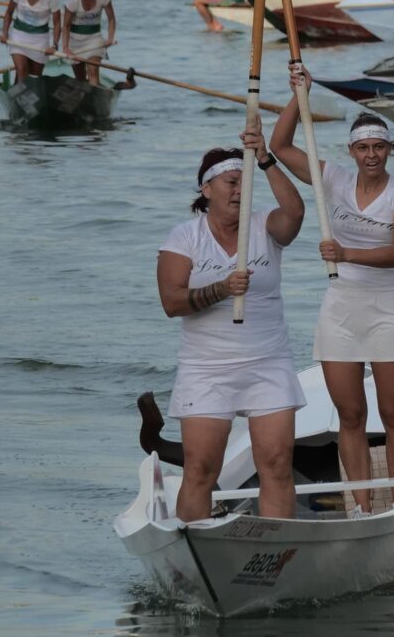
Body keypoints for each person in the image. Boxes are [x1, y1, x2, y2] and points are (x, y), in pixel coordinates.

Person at [271, 78, 394, 508]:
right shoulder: (332, 179)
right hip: (340, 309)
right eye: (363, 149)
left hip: (386, 309)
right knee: (350, 416)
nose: (371, 155)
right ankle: (359, 504)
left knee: (393, 414)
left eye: (378, 147)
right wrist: (297, 94)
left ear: (388, 150)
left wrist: (346, 252)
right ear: (352, 152)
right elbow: (280, 146)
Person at [156, 128, 308, 521]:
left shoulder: (265, 228)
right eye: (231, 182)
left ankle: (278, 550)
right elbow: (172, 303)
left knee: (275, 466)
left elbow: (295, 213)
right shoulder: (184, 238)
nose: (240, 190)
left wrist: (265, 158)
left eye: (246, 182)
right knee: (201, 470)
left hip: (267, 363)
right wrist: (221, 288)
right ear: (207, 189)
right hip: (206, 369)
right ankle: (193, 551)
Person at [59, 0, 116, 84]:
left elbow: (111, 19)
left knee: (93, 72)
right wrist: (65, 47)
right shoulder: (73, 1)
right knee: (80, 79)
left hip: (94, 39)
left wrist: (110, 38)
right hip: (75, 41)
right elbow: (66, 26)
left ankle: (94, 95)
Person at [0, 0, 59, 79]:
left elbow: (57, 24)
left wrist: (54, 45)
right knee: (22, 70)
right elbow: (8, 14)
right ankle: (21, 92)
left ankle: (19, 85)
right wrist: (5, 34)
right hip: (19, 37)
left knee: (35, 77)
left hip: (40, 40)